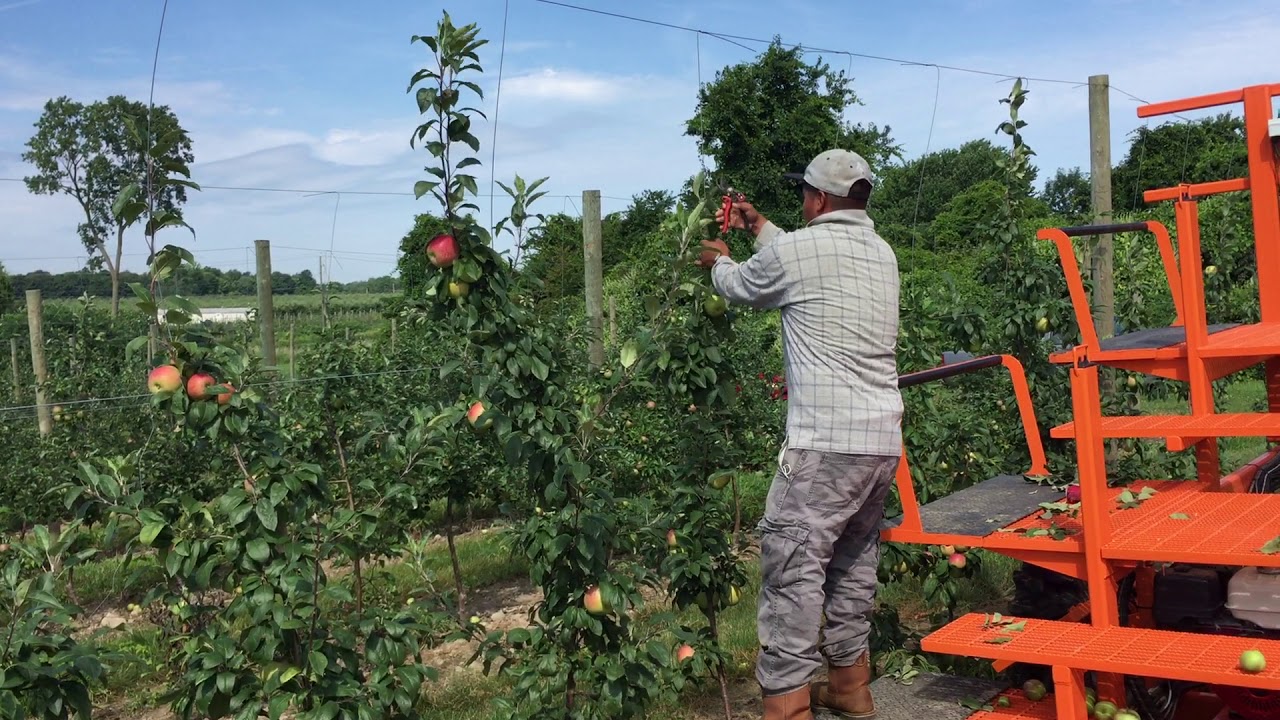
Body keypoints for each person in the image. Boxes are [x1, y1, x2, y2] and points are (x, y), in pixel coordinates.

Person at [696, 149, 903, 720]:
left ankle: (787, 707)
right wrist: (759, 225)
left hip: (823, 446)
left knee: (792, 568)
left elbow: (741, 285)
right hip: (880, 444)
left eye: (805, 194)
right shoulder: (881, 252)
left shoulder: (800, 251)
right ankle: (851, 690)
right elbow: (805, 258)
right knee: (852, 564)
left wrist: (717, 260)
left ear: (818, 199)